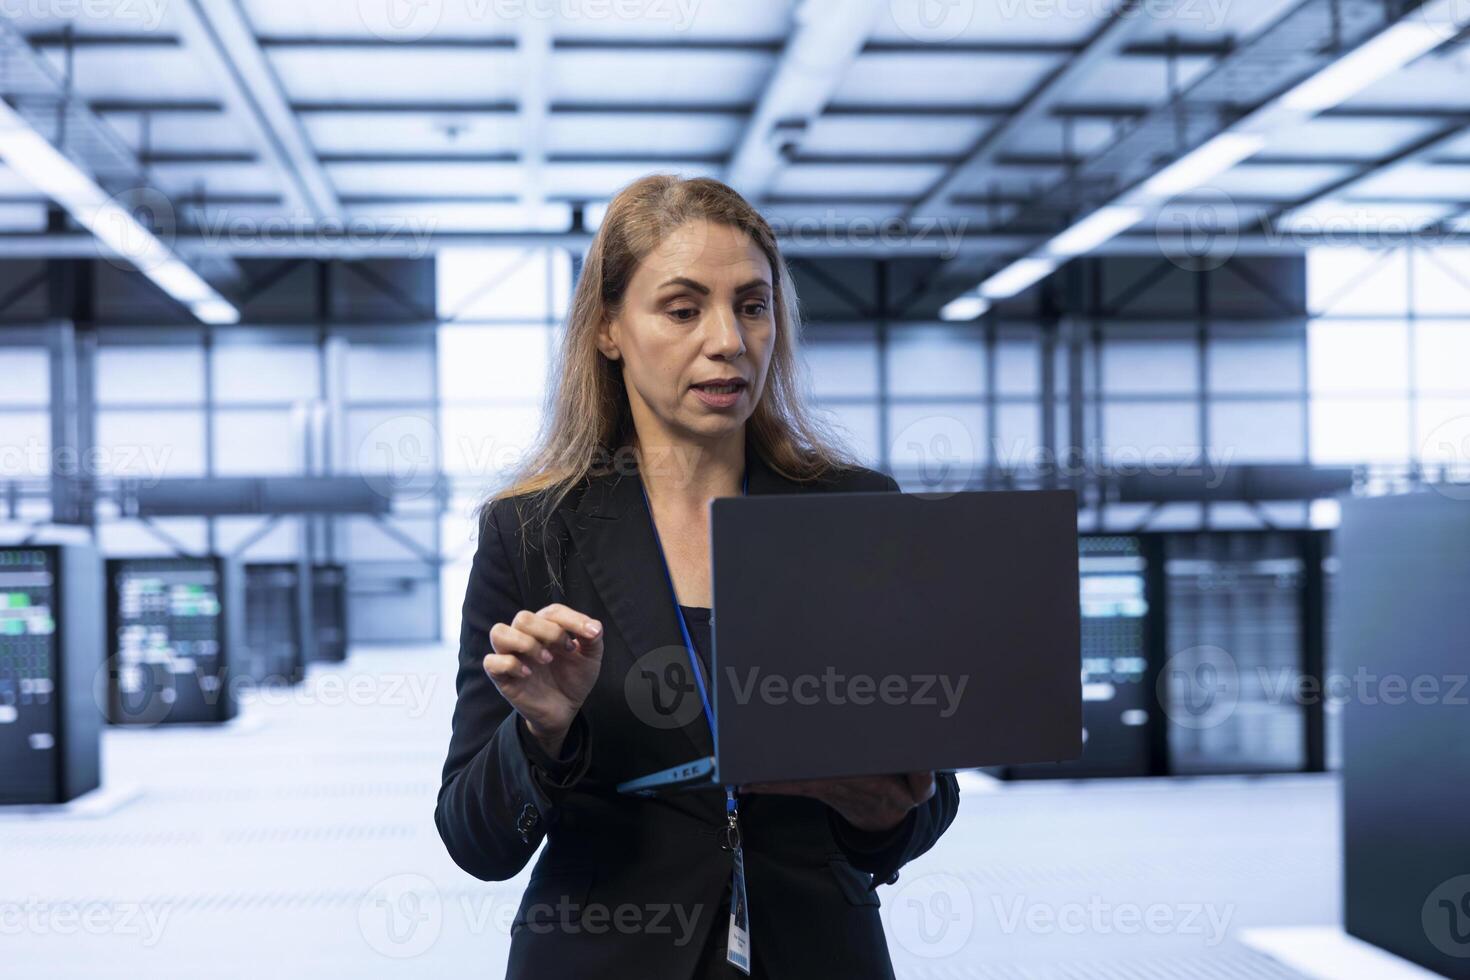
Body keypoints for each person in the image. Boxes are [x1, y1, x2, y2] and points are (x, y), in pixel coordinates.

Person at [435, 174, 961, 978]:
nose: (729, 340)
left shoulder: (856, 513)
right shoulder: (532, 532)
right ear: (609, 328)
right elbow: (473, 839)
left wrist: (882, 814)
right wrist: (539, 734)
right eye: (684, 310)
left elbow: (926, 799)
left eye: (753, 305)